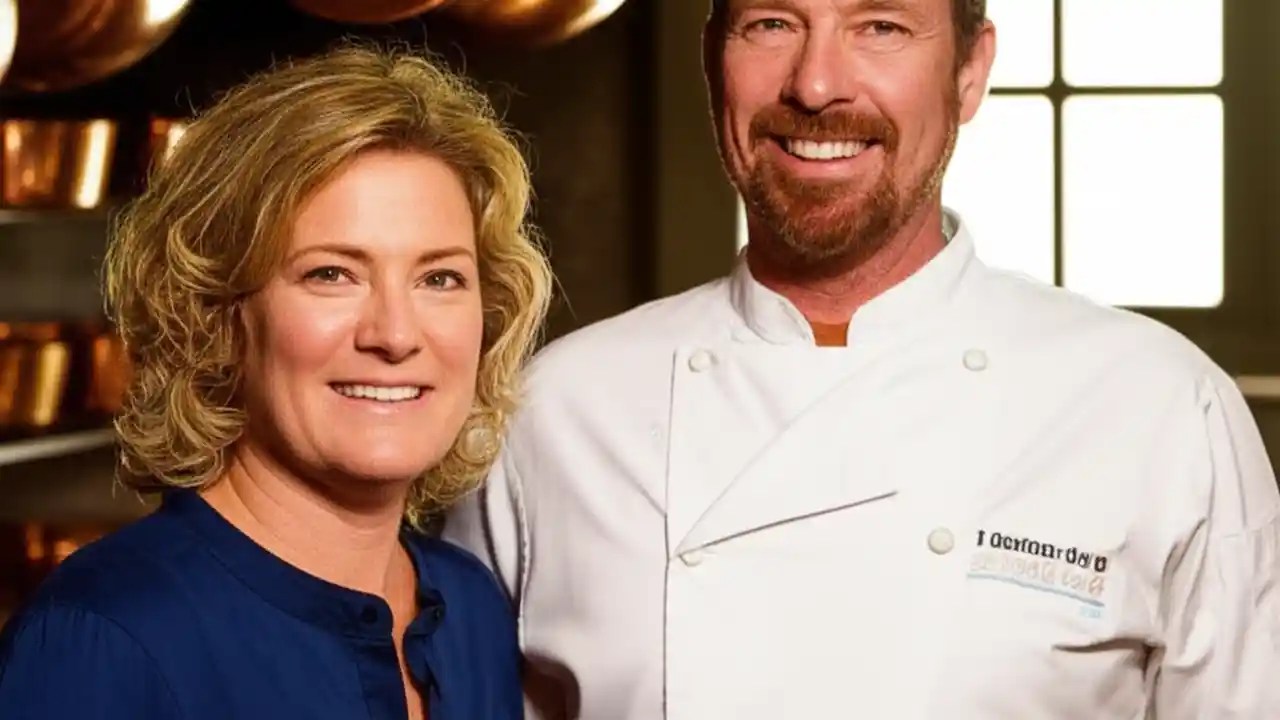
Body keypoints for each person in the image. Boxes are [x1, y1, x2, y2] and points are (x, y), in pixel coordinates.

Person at [443, 0, 1280, 717]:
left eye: (881, 26)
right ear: (711, 62)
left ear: (970, 71)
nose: (815, 86)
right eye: (772, 23)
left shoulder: (1160, 407)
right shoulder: (554, 412)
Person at [0, 44, 552, 720]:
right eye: (331, 274)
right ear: (217, 314)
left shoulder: (471, 610)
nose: (395, 334)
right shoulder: (103, 639)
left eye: (440, 278)